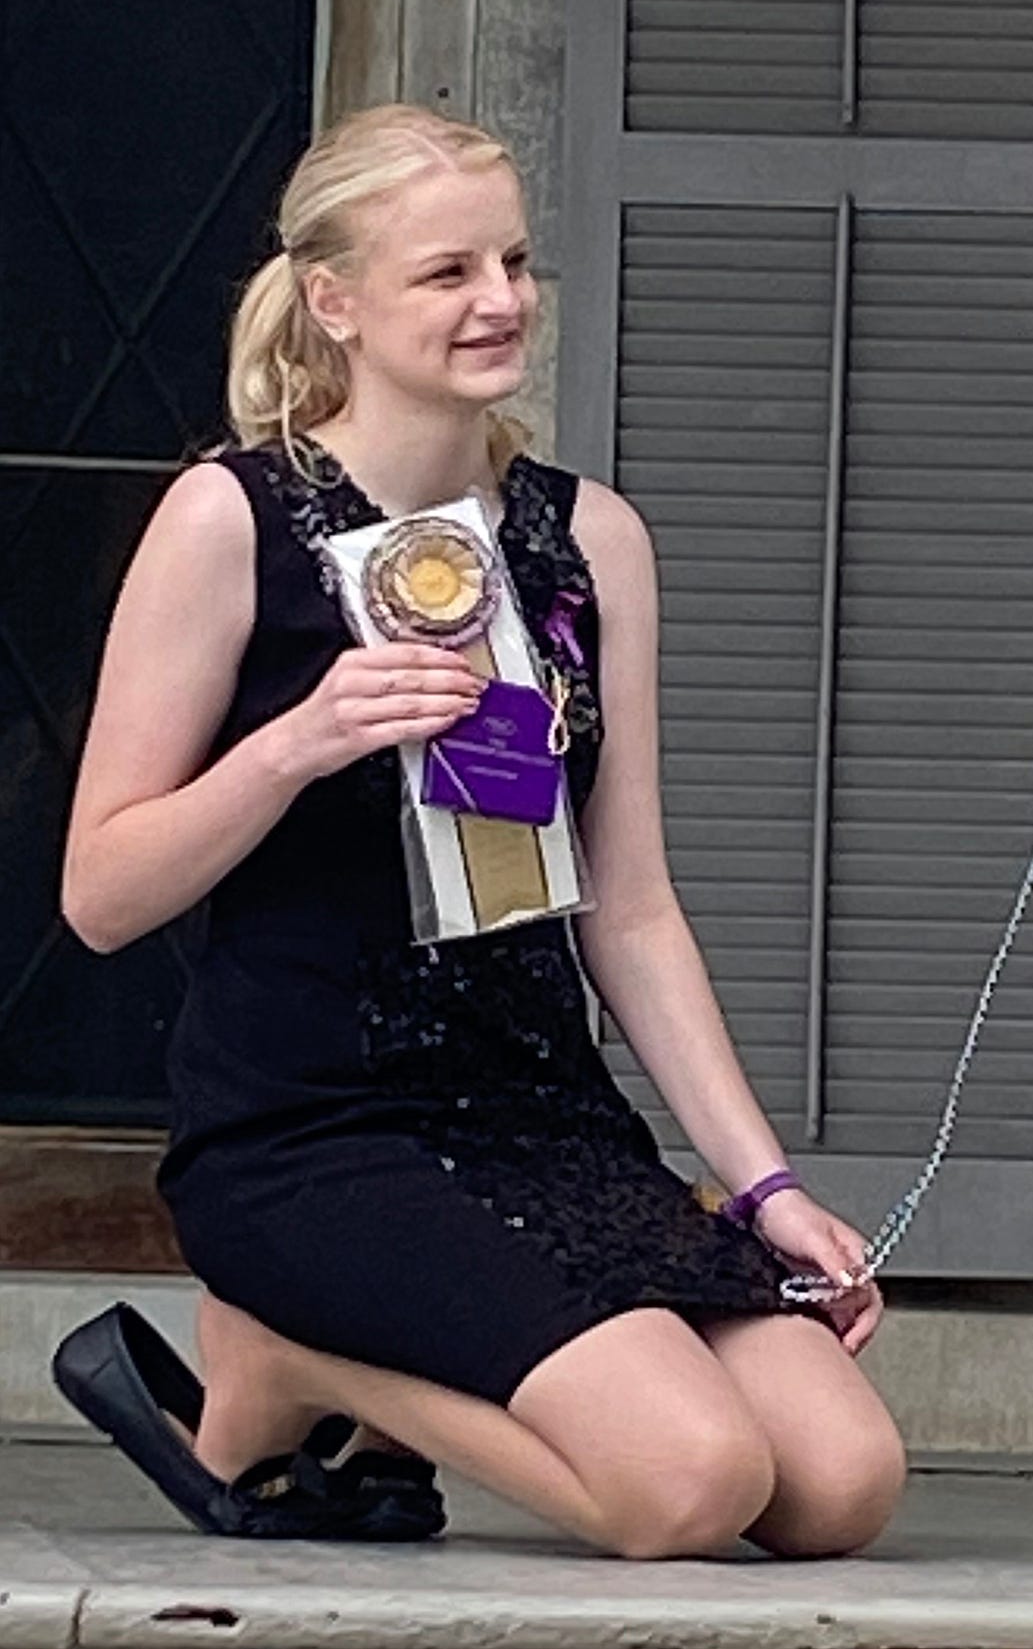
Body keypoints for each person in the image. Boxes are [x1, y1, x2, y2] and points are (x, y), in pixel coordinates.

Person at [56, 104, 906, 1559]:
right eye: (447, 272)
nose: (501, 299)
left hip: (543, 1115)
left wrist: (766, 1186)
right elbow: (101, 893)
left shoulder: (593, 543)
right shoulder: (226, 519)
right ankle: (286, 1352)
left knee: (841, 1483)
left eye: (512, 260)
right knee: (691, 1485)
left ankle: (345, 1368)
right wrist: (298, 741)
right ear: (334, 301)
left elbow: (632, 908)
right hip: (312, 1127)